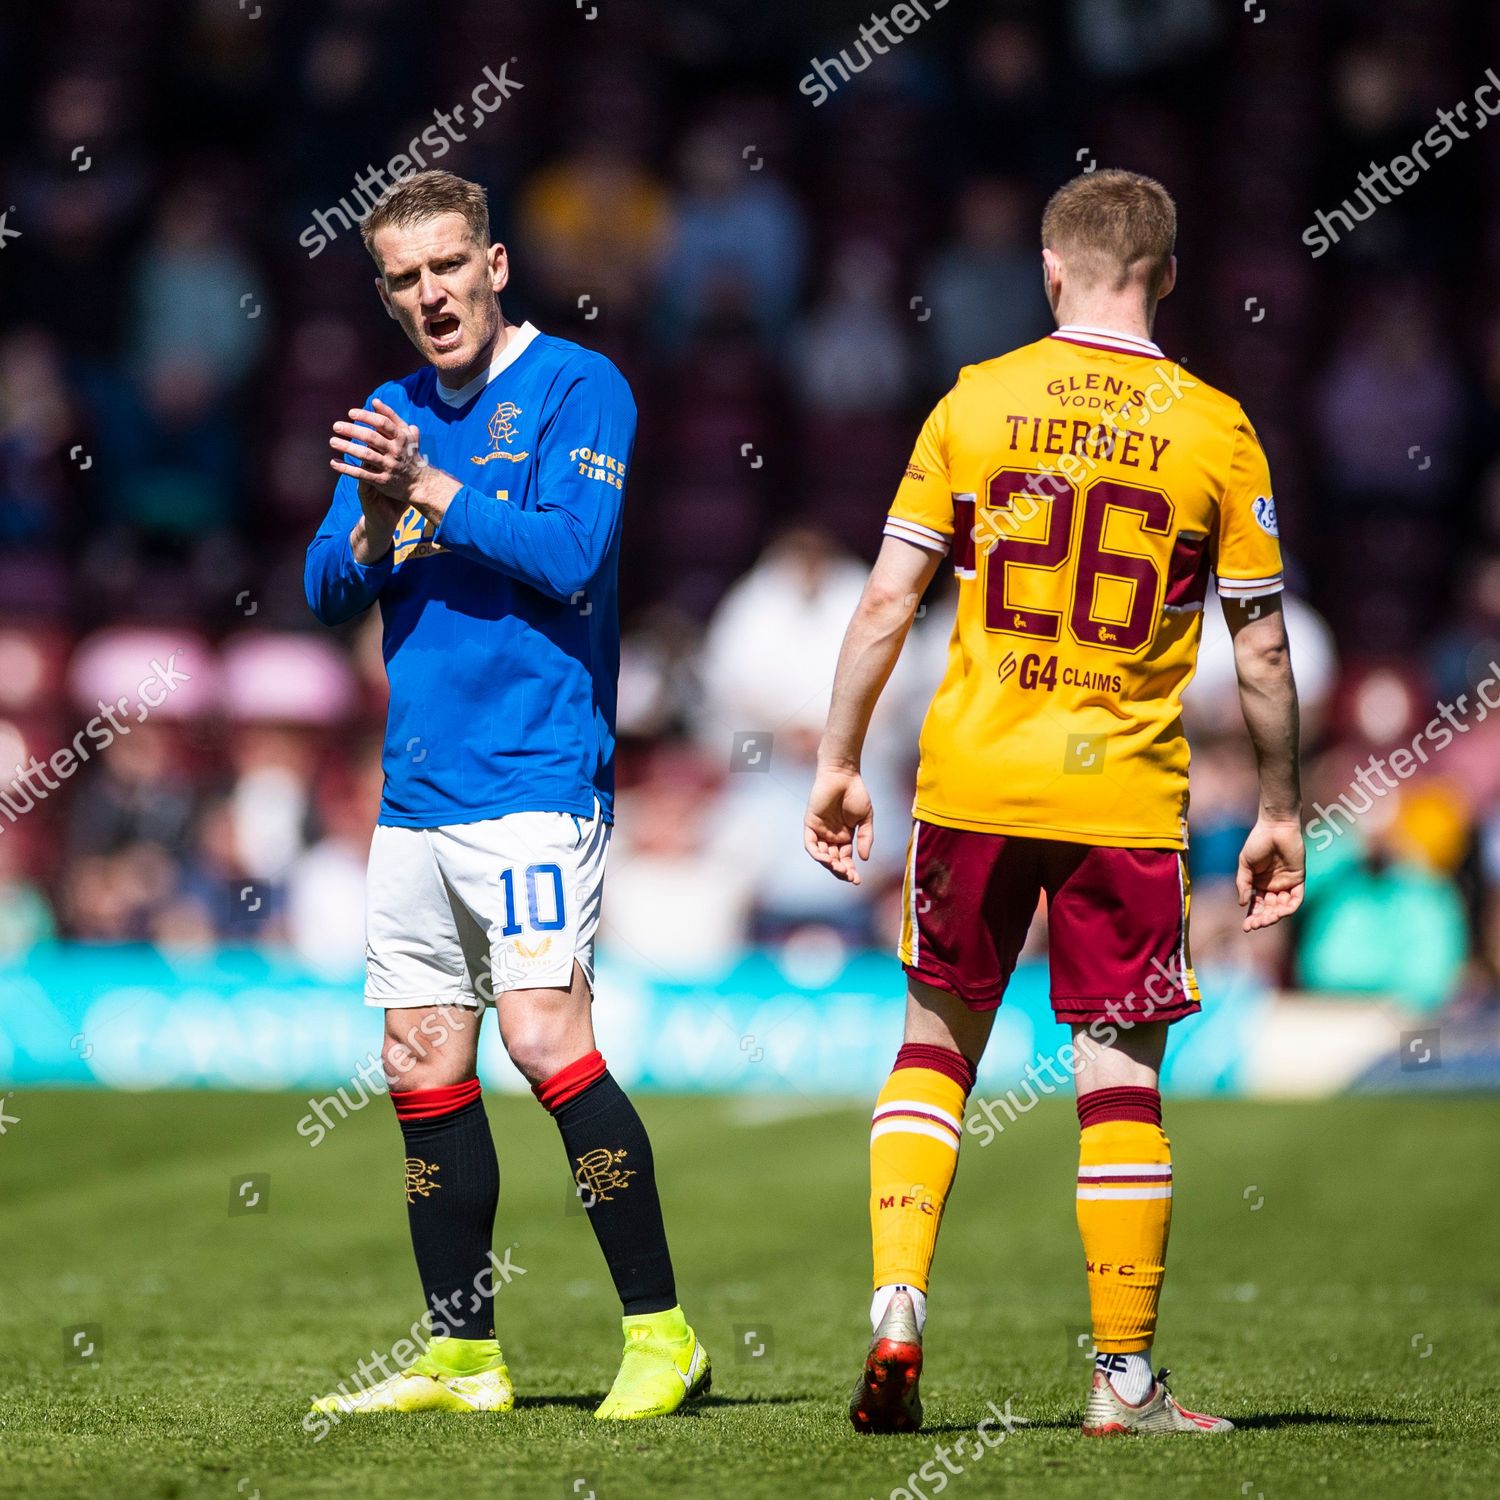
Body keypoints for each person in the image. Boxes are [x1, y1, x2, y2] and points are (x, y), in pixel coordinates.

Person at [804, 169, 1303, 1437]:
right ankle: (1122, 1380)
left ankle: (900, 1304)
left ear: (1048, 269)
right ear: (1168, 275)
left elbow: (882, 602)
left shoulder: (976, 402)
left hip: (973, 781)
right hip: (1124, 801)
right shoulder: (1218, 428)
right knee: (1117, 1081)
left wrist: (840, 757)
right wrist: (1283, 807)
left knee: (933, 1048)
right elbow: (1260, 651)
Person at [303, 170, 708, 1421]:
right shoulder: (386, 411)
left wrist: (427, 489)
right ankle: (464, 1359)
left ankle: (663, 1337)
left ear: (494, 265)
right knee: (420, 1060)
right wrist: (374, 517)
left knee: (543, 1039)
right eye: (404, 278)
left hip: (536, 778)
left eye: (447, 266)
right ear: (386, 294)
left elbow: (573, 555)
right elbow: (325, 588)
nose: (431, 294)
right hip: (417, 791)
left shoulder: (580, 386)